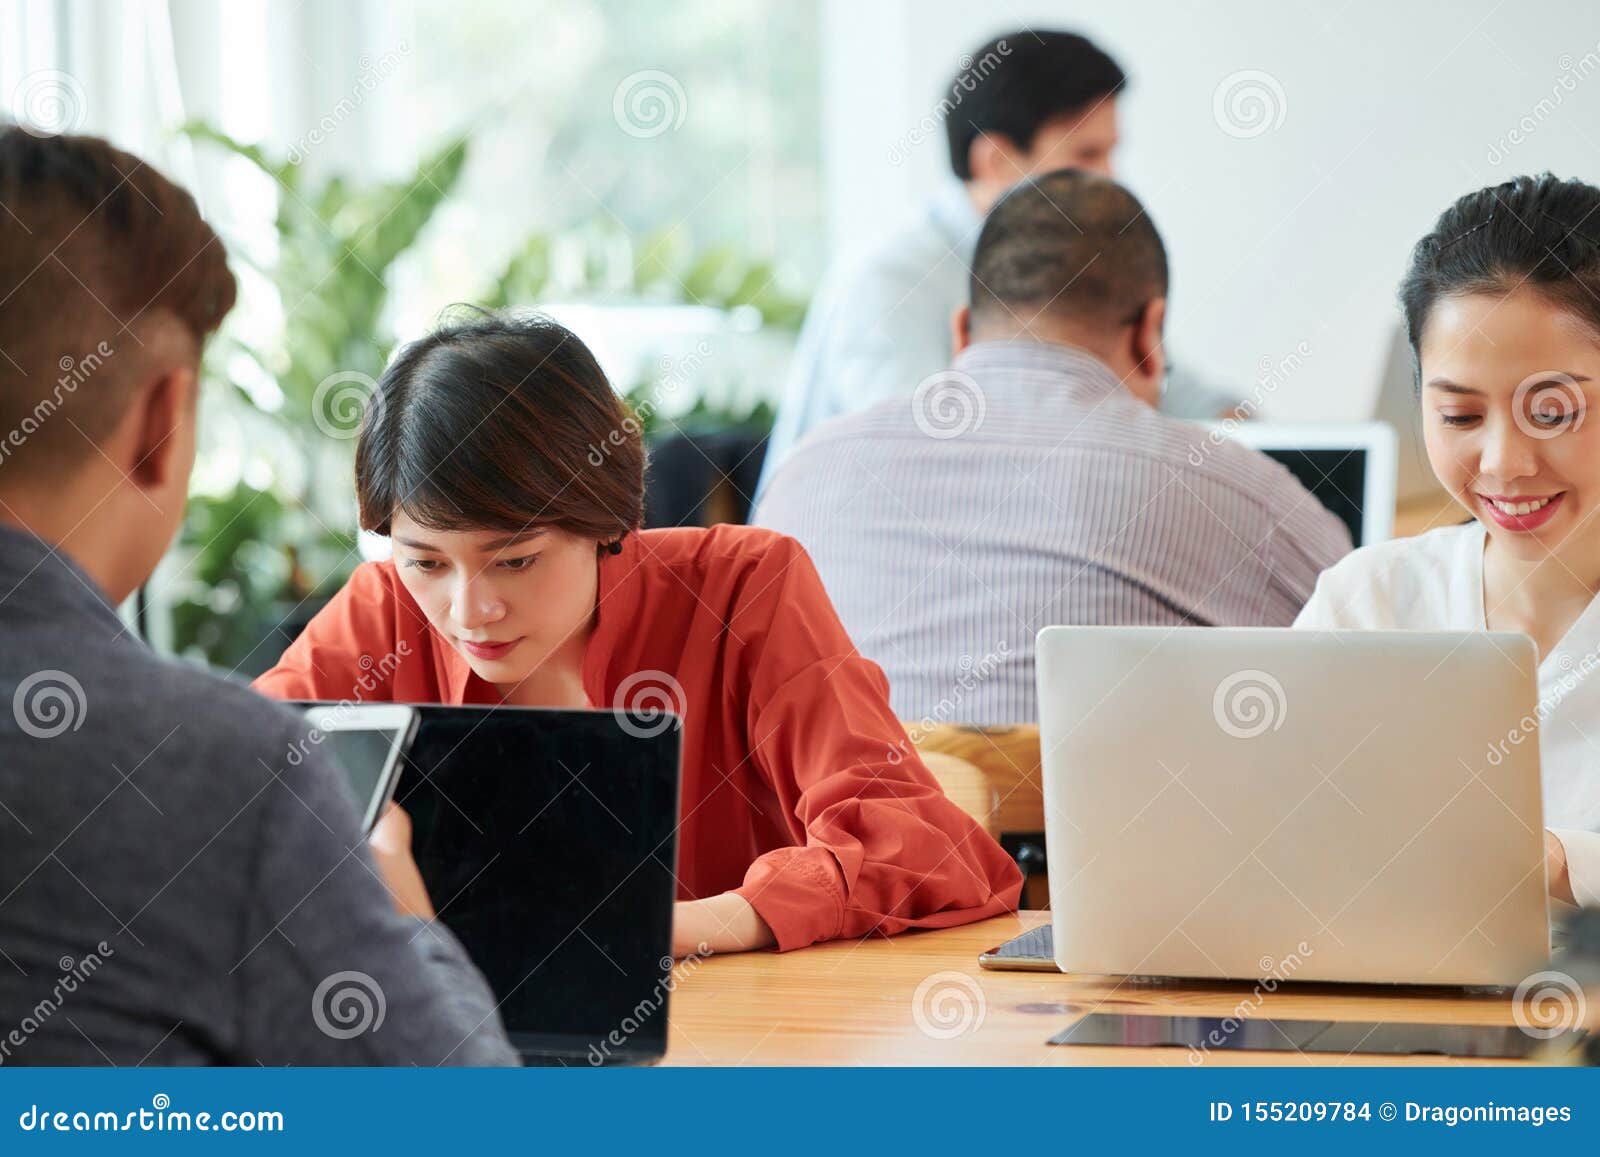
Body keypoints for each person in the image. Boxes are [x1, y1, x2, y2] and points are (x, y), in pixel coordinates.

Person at [252, 311, 1023, 956]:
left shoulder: (745, 588)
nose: (468, 608)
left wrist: (657, 930)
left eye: (515, 559)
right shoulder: (383, 609)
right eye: (426, 562)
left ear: (607, 515)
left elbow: (924, 849)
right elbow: (224, 789)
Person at [0, 127, 516, 1065]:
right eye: (426, 558)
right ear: (165, 417)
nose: (472, 605)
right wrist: (399, 918)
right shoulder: (220, 776)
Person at [755, 170, 1352, 724]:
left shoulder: (805, 472)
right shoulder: (1238, 489)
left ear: (961, 329)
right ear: (1150, 332)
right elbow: (1363, 657)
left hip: (833, 833)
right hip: (1112, 838)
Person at [1295, 174, 1600, 909]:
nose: (1504, 463)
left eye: (1554, 411)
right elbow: (1268, 825)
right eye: (1460, 416)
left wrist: (1563, 865)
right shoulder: (1368, 601)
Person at [758, 29, 1242, 492]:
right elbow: (918, 462)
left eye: (1111, 155)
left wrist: (1255, 441)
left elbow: (1177, 394)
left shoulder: (1072, 269)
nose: (1111, 179)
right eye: (1087, 154)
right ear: (995, 162)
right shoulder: (890, 280)